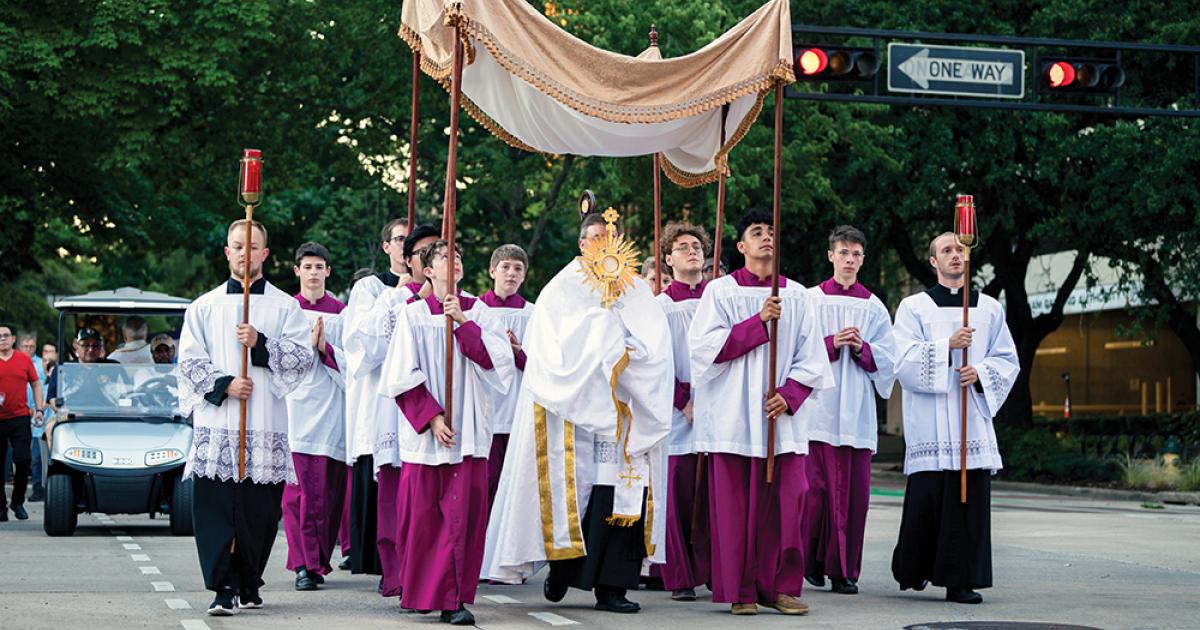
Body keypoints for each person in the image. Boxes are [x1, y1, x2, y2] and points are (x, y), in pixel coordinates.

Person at [485, 211, 673, 615]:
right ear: (581, 244)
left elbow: (657, 348)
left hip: (625, 414)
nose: (602, 242)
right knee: (577, 497)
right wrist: (600, 337)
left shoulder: (638, 289)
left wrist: (626, 352)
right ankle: (562, 571)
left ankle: (613, 588)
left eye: (610, 236)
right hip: (576, 414)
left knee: (621, 498)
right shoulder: (562, 287)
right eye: (594, 237)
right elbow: (549, 350)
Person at [687, 210, 834, 616]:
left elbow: (813, 358)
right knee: (735, 511)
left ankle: (782, 587)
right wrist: (758, 322)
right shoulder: (720, 292)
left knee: (789, 506)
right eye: (757, 232)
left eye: (772, 231)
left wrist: (789, 394)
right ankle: (741, 591)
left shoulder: (800, 296)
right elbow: (702, 350)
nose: (766, 237)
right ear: (741, 246)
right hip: (733, 418)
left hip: (780, 421)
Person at [177, 219, 312, 616]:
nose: (244, 253)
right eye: (238, 246)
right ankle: (222, 586)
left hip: (265, 421)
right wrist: (224, 385)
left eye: (252, 247)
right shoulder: (204, 306)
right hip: (219, 426)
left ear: (264, 254)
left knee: (259, 515)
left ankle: (249, 578)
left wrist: (261, 345)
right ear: (227, 251)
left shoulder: (285, 306)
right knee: (216, 511)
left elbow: (302, 358)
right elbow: (188, 362)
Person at [381, 240, 514, 625]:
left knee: (462, 517)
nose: (452, 260)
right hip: (427, 433)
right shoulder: (413, 315)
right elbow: (401, 374)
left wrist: (463, 324)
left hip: (469, 429)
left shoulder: (480, 311)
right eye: (443, 257)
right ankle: (423, 593)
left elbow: (496, 362)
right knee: (425, 517)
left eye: (457, 256)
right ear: (427, 271)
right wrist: (433, 417)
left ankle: (455, 598)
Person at [890, 232, 1019, 605]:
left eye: (960, 250)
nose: (955, 256)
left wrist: (979, 372)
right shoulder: (914, 306)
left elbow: (1007, 360)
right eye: (946, 250)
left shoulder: (990, 308)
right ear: (933, 261)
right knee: (928, 501)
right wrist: (947, 348)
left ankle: (961, 579)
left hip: (970, 422)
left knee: (967, 504)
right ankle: (914, 569)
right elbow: (903, 359)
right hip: (931, 421)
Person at [801, 226, 897, 595]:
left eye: (856, 254)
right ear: (831, 256)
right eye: (843, 253)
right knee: (815, 494)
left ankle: (845, 571)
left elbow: (889, 360)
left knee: (854, 499)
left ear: (863, 259)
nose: (850, 260)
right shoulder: (810, 300)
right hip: (817, 410)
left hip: (856, 409)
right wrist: (830, 343)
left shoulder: (873, 306)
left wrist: (861, 349)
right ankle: (811, 562)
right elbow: (795, 348)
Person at [341, 218, 413, 580]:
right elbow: (362, 346)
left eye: (410, 241)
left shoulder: (432, 289)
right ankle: (378, 561)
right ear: (386, 247)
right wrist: (398, 295)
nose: (405, 246)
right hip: (378, 398)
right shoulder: (370, 287)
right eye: (399, 239)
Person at [283, 242, 349, 591]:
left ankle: (318, 561)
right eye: (306, 266)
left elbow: (354, 364)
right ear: (297, 271)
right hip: (295, 409)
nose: (313, 272)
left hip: (331, 410)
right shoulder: (286, 311)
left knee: (328, 492)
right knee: (297, 494)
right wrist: (302, 349)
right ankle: (302, 565)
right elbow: (276, 362)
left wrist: (325, 348)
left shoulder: (342, 312)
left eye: (318, 266)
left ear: (328, 271)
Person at [654, 223, 712, 602]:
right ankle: (679, 576)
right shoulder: (660, 306)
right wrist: (683, 401)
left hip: (717, 404)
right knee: (677, 493)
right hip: (678, 410)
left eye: (697, 246)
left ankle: (710, 568)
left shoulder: (718, 298)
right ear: (668, 258)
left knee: (709, 493)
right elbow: (657, 362)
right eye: (683, 247)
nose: (692, 251)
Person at [478, 244, 535, 506]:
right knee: (485, 485)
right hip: (485, 410)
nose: (511, 273)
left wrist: (518, 352)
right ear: (492, 271)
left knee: (514, 490)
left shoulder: (532, 314)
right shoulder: (476, 310)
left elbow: (543, 365)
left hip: (517, 411)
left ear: (524, 275)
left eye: (518, 269)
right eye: (505, 267)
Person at [0, 325, 45, 521]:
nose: (2, 339)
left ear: (13, 339)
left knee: (23, 459)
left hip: (20, 417)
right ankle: (1, 506)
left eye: (6, 336)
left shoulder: (23, 360)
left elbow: (36, 383)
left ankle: (17, 501)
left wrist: (39, 408)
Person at [19, 332, 46, 502]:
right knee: (21, 455)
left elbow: (41, 386)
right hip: (19, 413)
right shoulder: (14, 361)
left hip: (37, 414)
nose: (29, 349)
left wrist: (37, 408)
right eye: (25, 346)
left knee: (36, 456)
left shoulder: (39, 364)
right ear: (20, 346)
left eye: (32, 347)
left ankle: (38, 488)